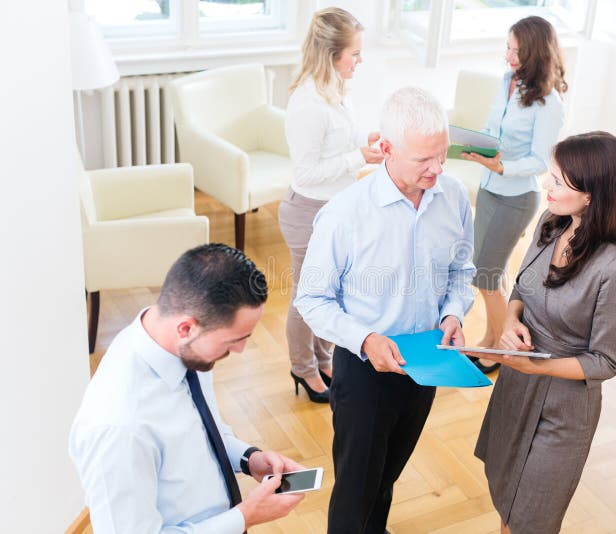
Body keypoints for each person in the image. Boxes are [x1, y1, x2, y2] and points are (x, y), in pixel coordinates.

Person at [295, 87, 476, 534]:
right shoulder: (345, 214)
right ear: (388, 149)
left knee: (386, 479)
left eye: (443, 155)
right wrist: (365, 340)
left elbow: (462, 269)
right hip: (364, 372)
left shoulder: (453, 197)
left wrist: (453, 314)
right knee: (356, 490)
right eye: (423, 159)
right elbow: (311, 299)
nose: (436, 168)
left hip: (428, 364)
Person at [471, 131, 616, 534]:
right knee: (506, 500)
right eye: (550, 175)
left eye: (559, 181)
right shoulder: (551, 223)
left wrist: (538, 369)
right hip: (518, 385)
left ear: (591, 194)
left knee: (531, 517)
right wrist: (511, 321)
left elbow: (606, 361)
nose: (546, 185)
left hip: (564, 409)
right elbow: (522, 288)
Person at [69, 244, 305, 533]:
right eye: (234, 340)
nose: (241, 349)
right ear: (186, 328)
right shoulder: (120, 427)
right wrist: (244, 517)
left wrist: (248, 458)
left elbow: (202, 431)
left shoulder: (183, 349)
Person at [281, 7, 383, 403]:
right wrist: (360, 157)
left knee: (330, 294)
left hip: (334, 209)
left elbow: (338, 141)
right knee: (307, 298)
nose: (359, 61)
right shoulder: (306, 102)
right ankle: (302, 368)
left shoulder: (336, 87)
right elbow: (307, 173)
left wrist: (366, 141)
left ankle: (323, 359)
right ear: (331, 53)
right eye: (354, 53)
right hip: (307, 211)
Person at [461, 15, 567, 373]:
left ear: (536, 54)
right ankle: (493, 339)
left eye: (516, 51)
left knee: (485, 275)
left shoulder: (549, 104)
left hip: (517, 197)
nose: (508, 56)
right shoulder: (507, 81)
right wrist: (481, 145)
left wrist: (502, 167)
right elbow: (494, 126)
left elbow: (540, 161)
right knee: (490, 271)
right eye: (507, 47)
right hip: (490, 189)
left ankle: (497, 345)